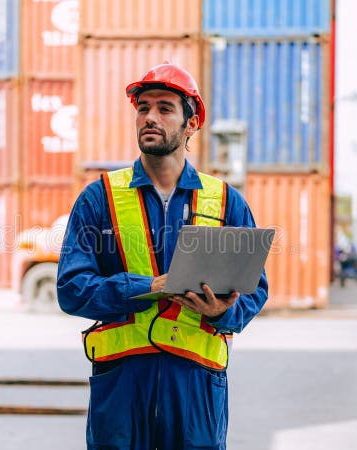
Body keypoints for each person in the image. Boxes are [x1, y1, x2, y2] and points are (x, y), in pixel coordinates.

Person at [57, 62, 269, 450]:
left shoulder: (225, 202)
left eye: (165, 108)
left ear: (191, 124)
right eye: (143, 107)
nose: (150, 117)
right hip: (122, 386)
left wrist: (220, 312)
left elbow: (255, 292)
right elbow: (71, 289)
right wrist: (149, 287)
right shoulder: (99, 197)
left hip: (196, 389)